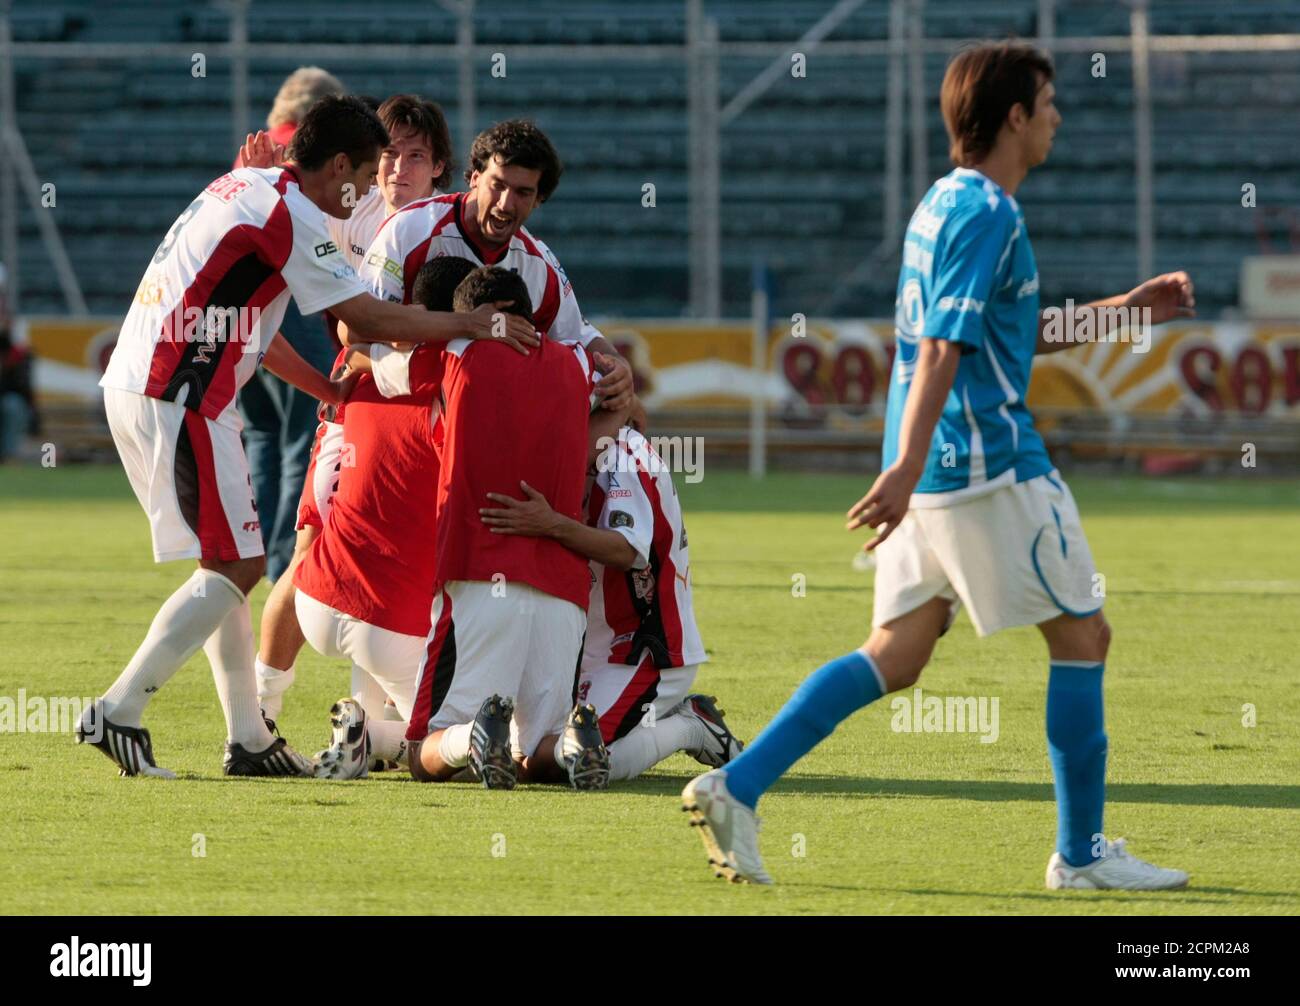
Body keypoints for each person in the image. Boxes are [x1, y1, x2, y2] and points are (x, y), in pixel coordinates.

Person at [682, 41, 1195, 889]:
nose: (1059, 116)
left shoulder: (941, 206)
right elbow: (947, 348)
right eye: (1048, 102)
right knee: (1082, 634)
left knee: (897, 653)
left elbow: (1005, 335)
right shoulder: (989, 212)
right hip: (987, 466)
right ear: (1015, 118)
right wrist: (909, 466)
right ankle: (1080, 856)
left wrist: (1127, 311)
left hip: (932, 471)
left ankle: (738, 785)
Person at [83, 96, 538, 778]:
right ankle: (117, 711)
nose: (364, 191)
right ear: (339, 166)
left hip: (163, 386)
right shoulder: (295, 213)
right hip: (178, 392)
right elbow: (365, 317)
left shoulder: (244, 186)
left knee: (228, 564)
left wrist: (328, 391)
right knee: (237, 568)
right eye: (364, 171)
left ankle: (249, 738)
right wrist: (474, 325)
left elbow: (256, 338)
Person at [250, 93, 456, 727]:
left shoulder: (452, 227)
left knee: (423, 557)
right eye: (388, 156)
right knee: (315, 547)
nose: (397, 170)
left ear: (441, 167)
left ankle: (373, 721)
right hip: (359, 408)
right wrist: (262, 177)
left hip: (424, 415)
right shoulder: (355, 211)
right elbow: (349, 328)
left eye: (415, 157)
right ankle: (261, 707)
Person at [400, 266, 611, 790]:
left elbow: (371, 348)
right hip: (561, 588)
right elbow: (625, 408)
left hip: (480, 572)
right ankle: (570, 749)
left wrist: (462, 326)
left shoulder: (457, 348)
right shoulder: (578, 364)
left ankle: (470, 735)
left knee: (421, 748)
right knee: (534, 749)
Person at [479, 422, 742, 784]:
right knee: (522, 754)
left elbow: (626, 550)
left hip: (644, 650)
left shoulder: (623, 457)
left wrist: (550, 524)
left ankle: (692, 726)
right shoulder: (577, 445)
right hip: (589, 645)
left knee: (568, 763)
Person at [297, 255, 478, 779]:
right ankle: (373, 736)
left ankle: (365, 731)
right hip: (389, 619)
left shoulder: (360, 373)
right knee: (461, 748)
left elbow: (325, 483)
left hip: (319, 594)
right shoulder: (452, 385)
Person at [355, 119, 633, 408]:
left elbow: (578, 336)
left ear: (538, 199)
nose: (504, 203)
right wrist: (467, 326)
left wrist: (618, 367)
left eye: (522, 193)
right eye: (497, 185)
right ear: (475, 177)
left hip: (475, 416)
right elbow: (355, 330)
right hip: (390, 407)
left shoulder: (538, 264)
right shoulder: (410, 229)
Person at [235, 68, 348, 584]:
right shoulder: (311, 160)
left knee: (261, 435)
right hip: (294, 306)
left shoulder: (253, 154)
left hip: (246, 313)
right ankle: (288, 563)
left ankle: (254, 555)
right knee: (306, 436)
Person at [0, 264, 39, 463]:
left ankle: (8, 457)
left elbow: (21, 379)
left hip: (7, 395)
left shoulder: (14, 334)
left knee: (13, 405)